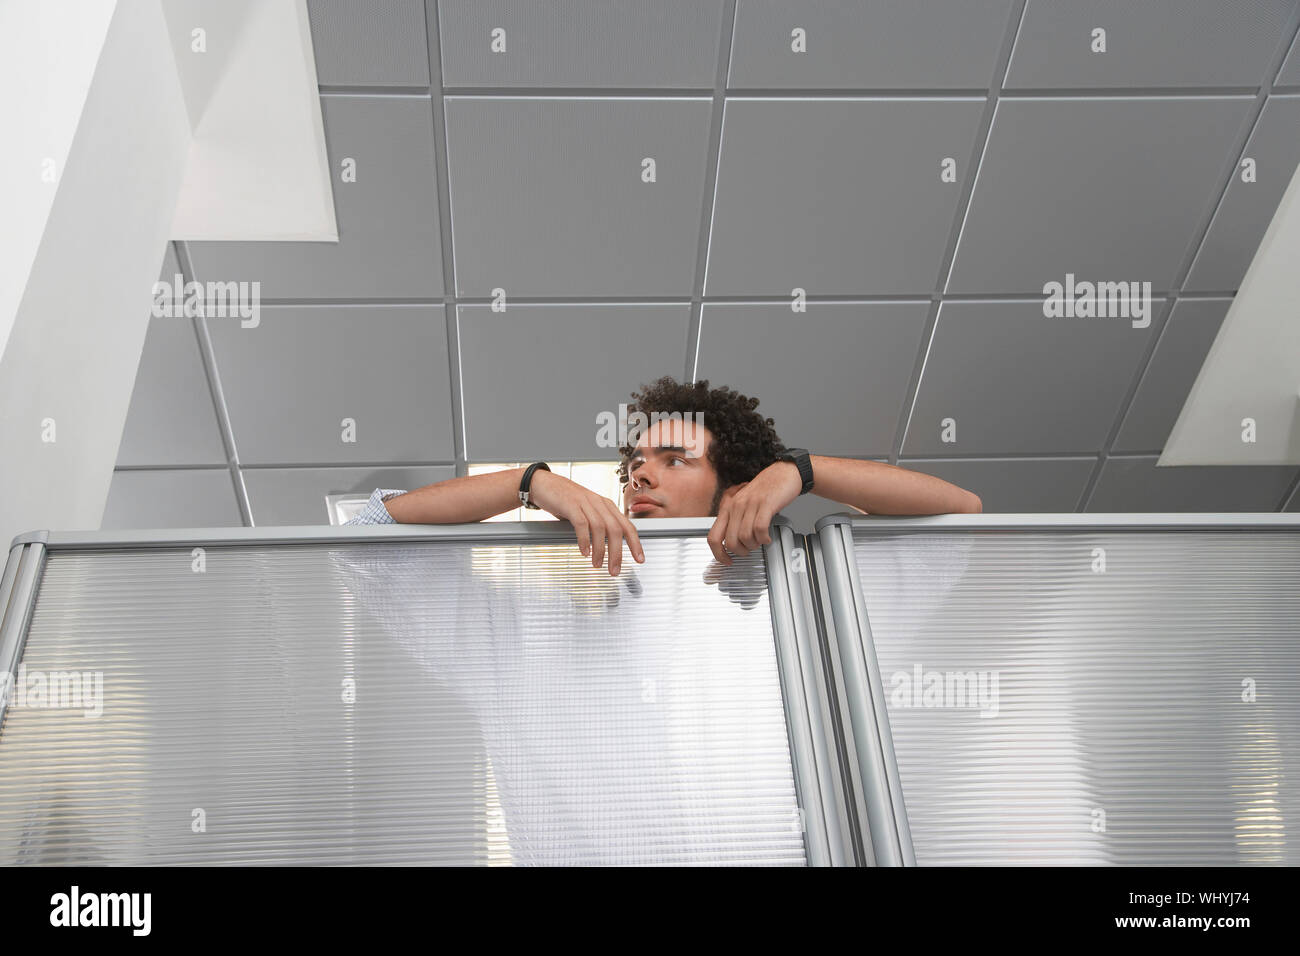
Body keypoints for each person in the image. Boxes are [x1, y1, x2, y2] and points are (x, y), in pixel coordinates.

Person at [345, 376, 981, 573]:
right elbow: (369, 525)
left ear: (737, 487)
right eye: (636, 463)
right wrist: (530, 483)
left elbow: (963, 514)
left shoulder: (811, 589)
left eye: (676, 459)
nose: (640, 477)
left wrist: (800, 471)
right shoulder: (563, 624)